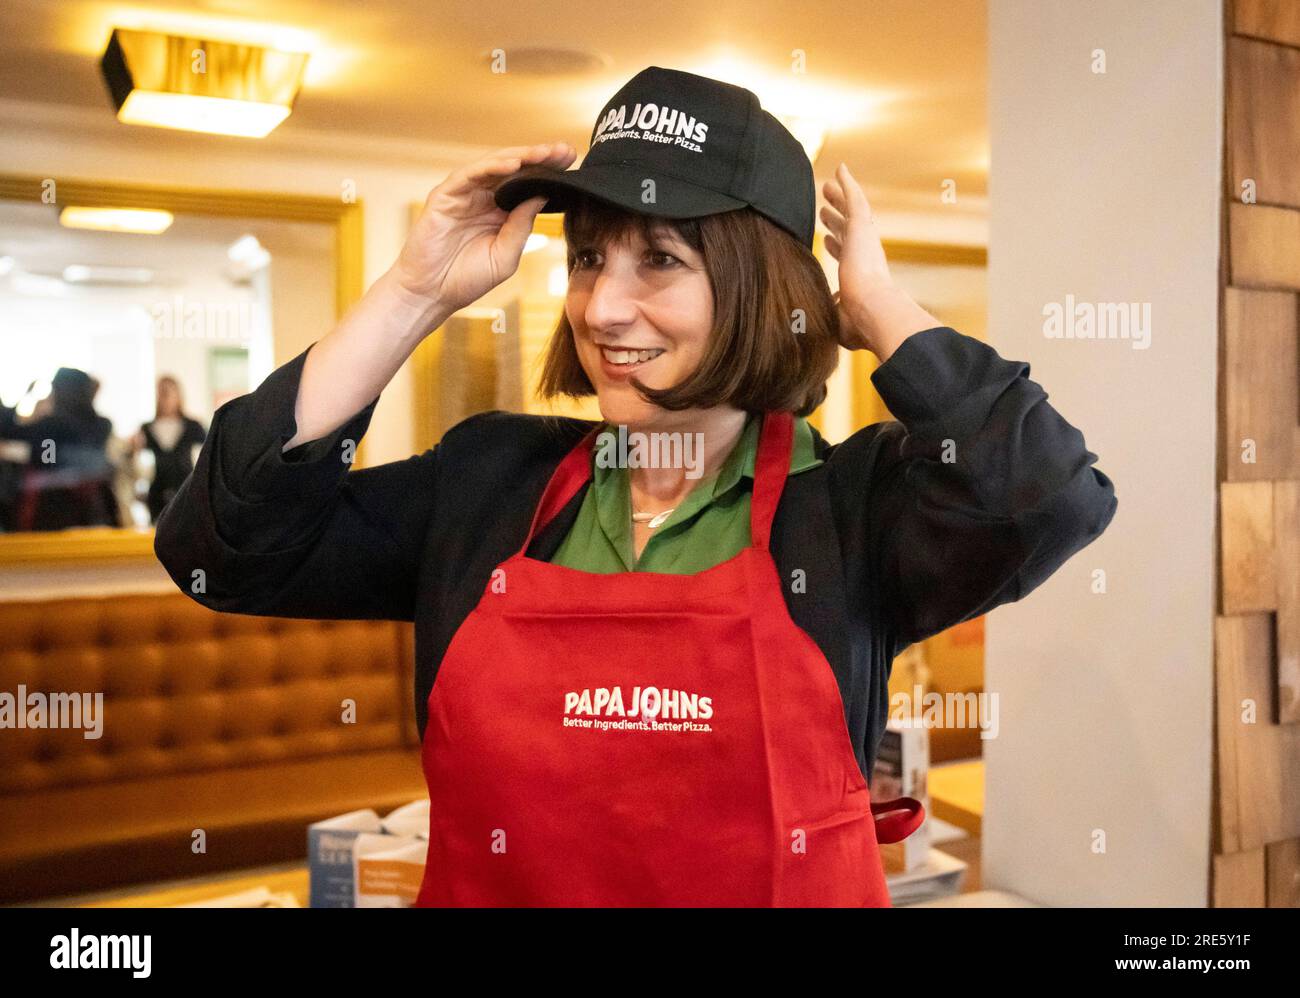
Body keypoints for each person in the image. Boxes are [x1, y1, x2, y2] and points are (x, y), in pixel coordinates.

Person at [154, 66, 1118, 907]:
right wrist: (412, 294)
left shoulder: (855, 510)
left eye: (659, 258)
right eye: (586, 258)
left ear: (752, 285)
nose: (602, 307)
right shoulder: (489, 483)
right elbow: (221, 553)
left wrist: (876, 305)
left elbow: (1049, 493)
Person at [0, 367, 118, 530]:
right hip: (97, 511)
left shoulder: (52, 426)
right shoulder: (103, 425)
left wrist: (26, 395)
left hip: (53, 512)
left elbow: (46, 460)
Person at [132, 376, 207, 524]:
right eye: (161, 393)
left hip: (185, 486)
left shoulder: (193, 426)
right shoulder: (146, 428)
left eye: (169, 393)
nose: (165, 399)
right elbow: (138, 461)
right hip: (157, 488)